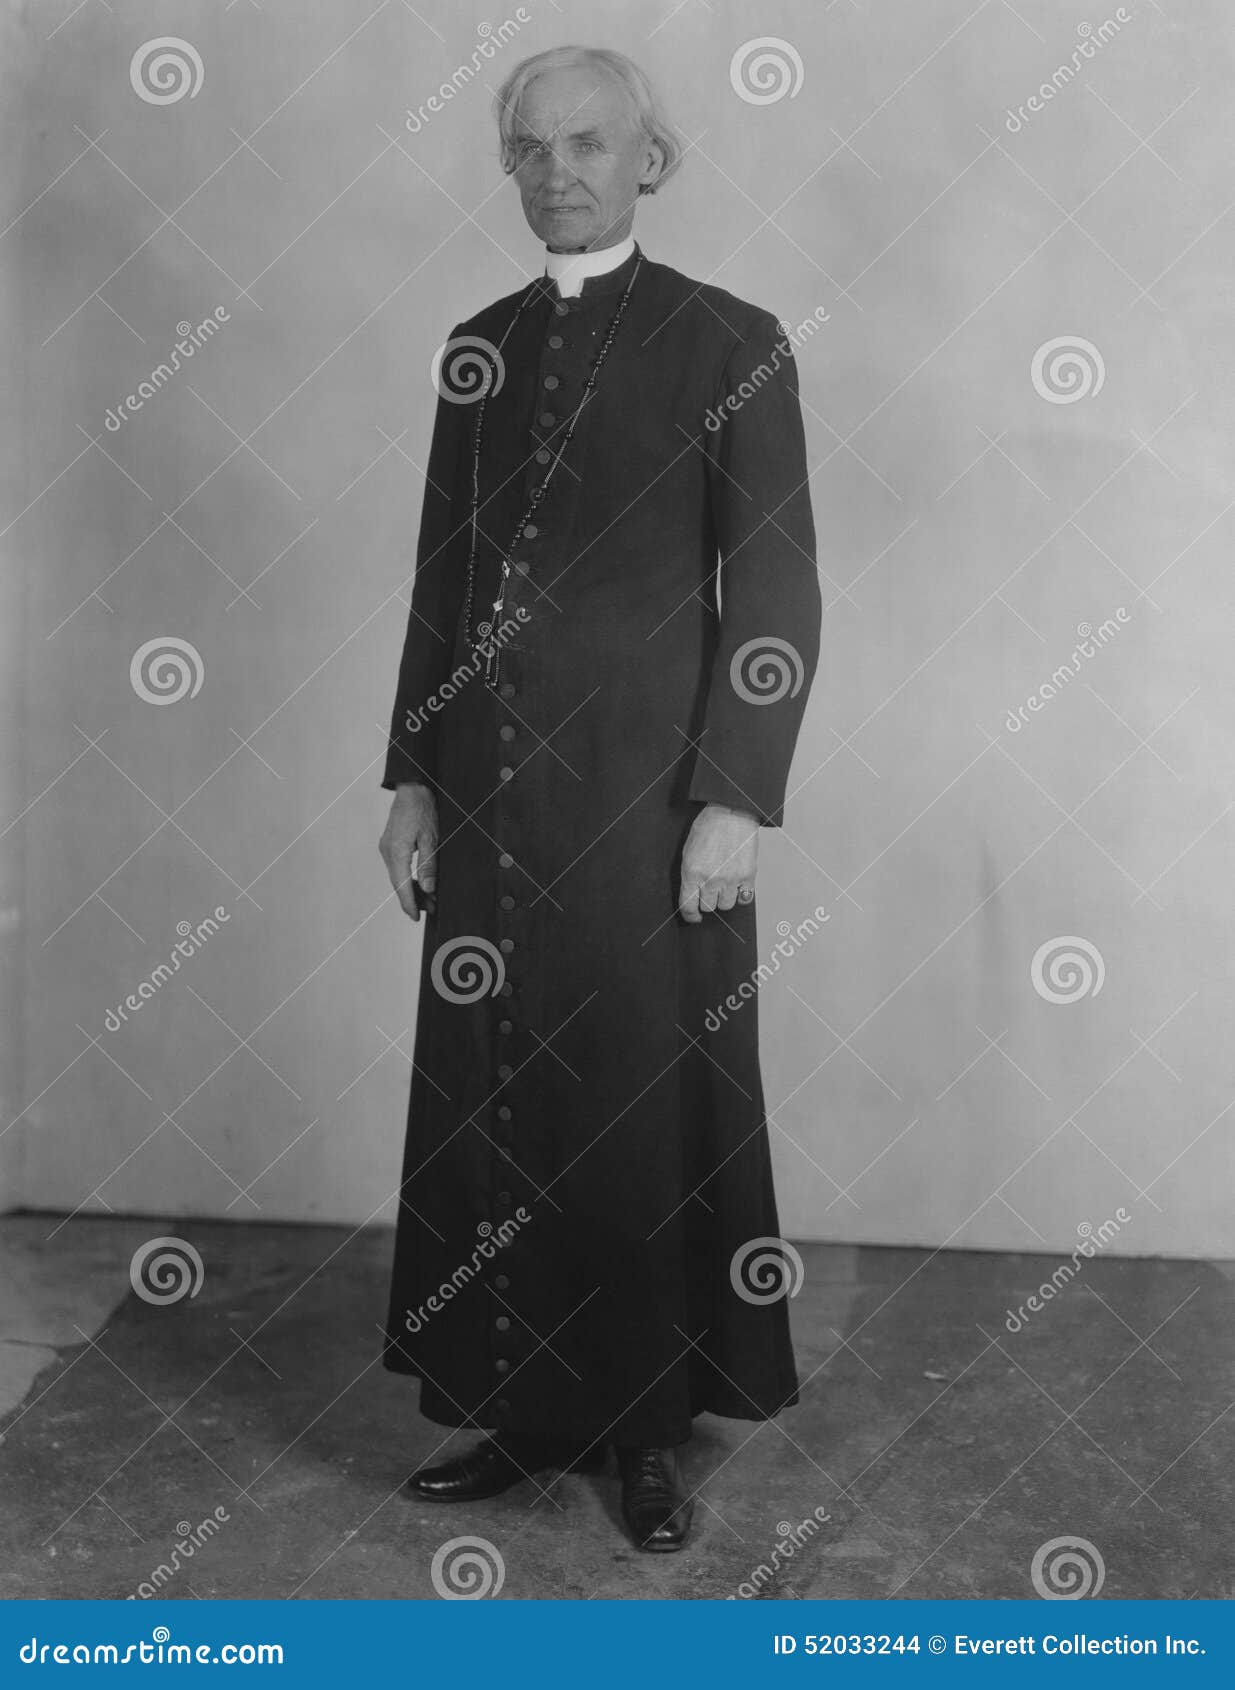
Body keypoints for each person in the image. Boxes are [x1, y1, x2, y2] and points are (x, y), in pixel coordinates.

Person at [378, 44, 821, 1553]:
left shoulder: (731, 341)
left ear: (652, 159)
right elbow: (445, 586)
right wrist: (415, 780)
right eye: (529, 148)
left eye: (586, 141)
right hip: (494, 805)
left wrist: (735, 799)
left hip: (654, 806)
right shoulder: (476, 348)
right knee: (504, 1099)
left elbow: (773, 592)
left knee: (639, 1114)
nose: (555, 169)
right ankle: (527, 1408)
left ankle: (645, 1427)